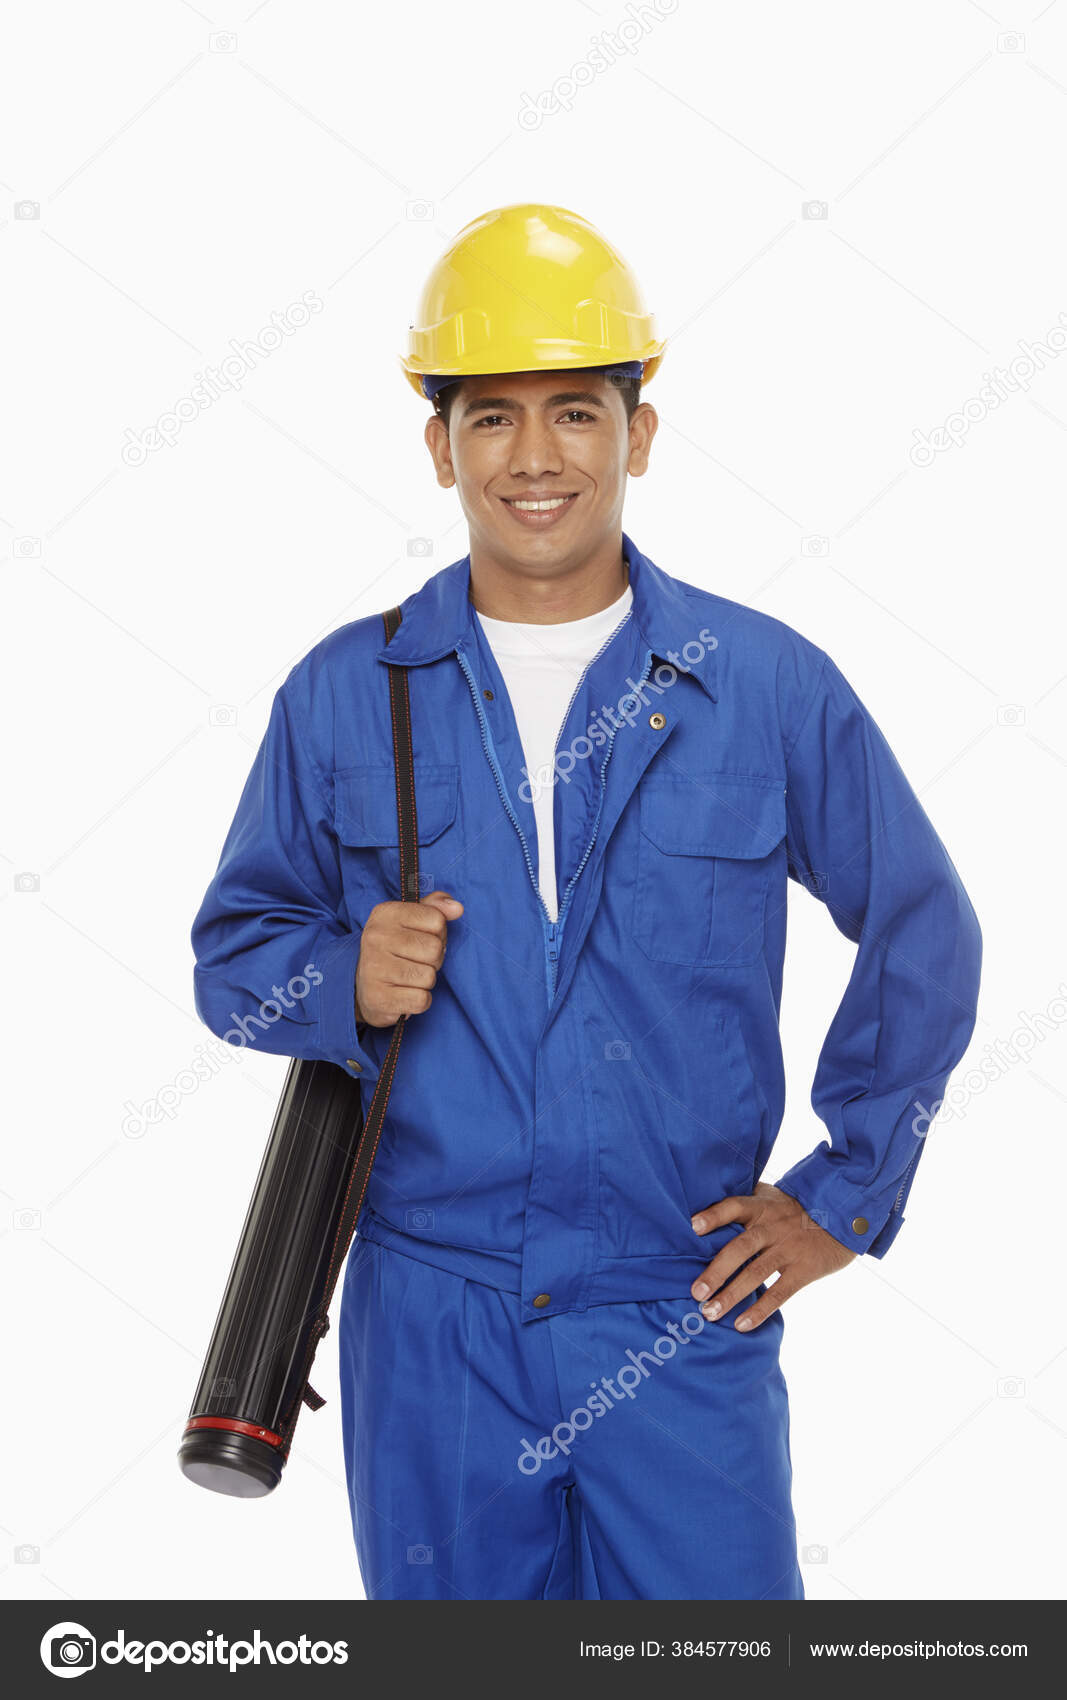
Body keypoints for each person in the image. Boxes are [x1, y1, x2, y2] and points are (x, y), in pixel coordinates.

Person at [190, 203, 982, 1601]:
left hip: (677, 1315)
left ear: (642, 432)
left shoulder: (766, 685)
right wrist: (338, 977)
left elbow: (926, 928)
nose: (536, 459)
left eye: (576, 411)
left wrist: (845, 1197)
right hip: (432, 1327)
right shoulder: (342, 692)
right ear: (439, 447)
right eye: (492, 419)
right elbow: (230, 959)